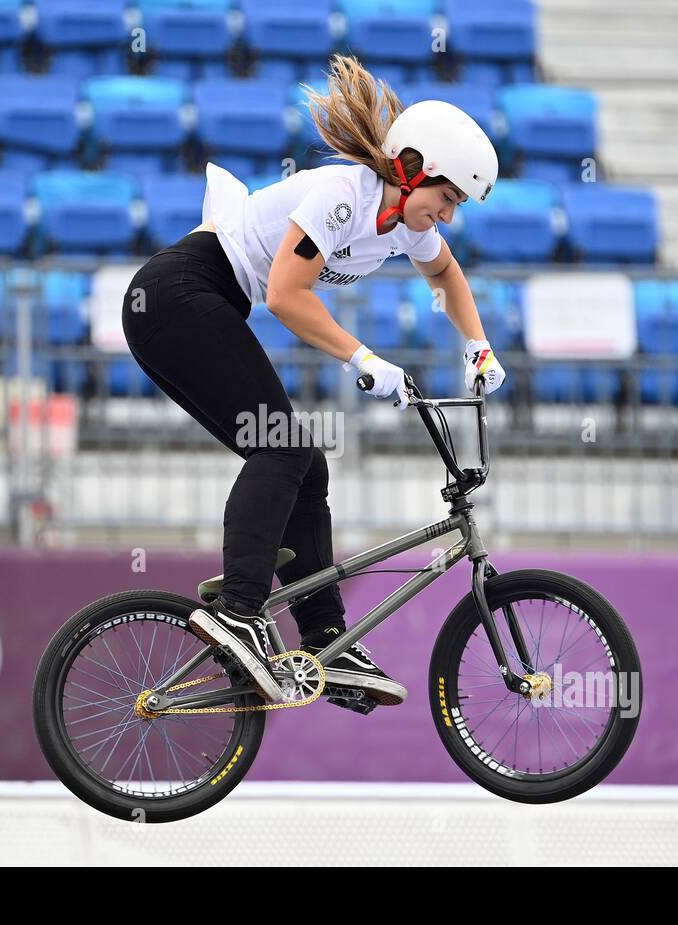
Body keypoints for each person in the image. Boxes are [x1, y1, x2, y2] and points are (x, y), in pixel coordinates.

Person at [120, 54, 506, 707]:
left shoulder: (401, 223)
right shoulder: (343, 197)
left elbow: (447, 276)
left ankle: (327, 637)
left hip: (195, 306)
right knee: (283, 448)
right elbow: (285, 295)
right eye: (446, 200)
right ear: (412, 173)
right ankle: (238, 611)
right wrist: (364, 360)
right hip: (177, 296)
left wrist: (479, 347)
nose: (447, 216)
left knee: (307, 468)